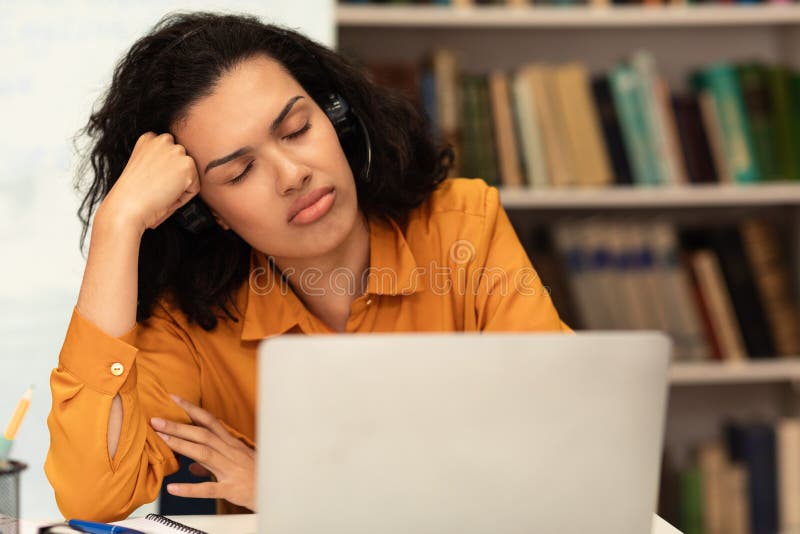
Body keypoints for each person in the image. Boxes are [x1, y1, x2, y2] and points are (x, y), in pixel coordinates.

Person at [45, 11, 570, 522]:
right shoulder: (192, 320)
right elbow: (93, 494)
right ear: (207, 213)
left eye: (296, 129)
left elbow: (559, 443)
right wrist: (117, 227)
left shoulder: (462, 227)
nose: (293, 174)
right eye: (241, 170)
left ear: (336, 117)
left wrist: (293, 489)